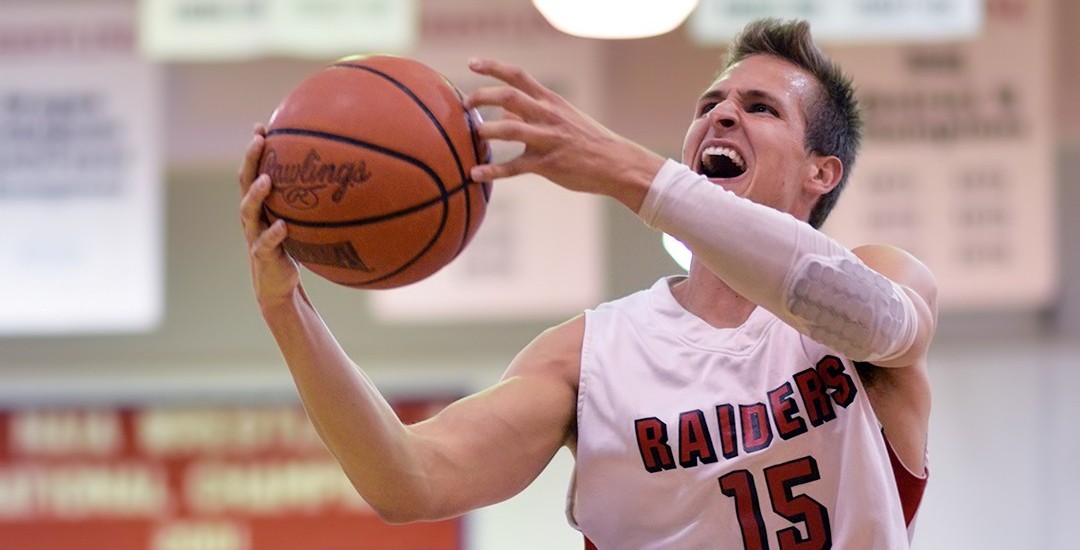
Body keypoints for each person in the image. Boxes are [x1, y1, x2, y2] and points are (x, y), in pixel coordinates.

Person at [238, 18, 936, 549]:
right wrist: (285, 309)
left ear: (822, 172)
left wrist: (626, 172)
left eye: (761, 108)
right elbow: (406, 480)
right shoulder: (590, 355)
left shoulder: (881, 280)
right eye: (710, 103)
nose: (721, 114)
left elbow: (871, 319)